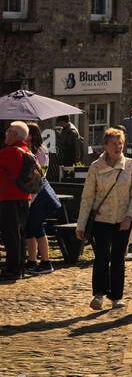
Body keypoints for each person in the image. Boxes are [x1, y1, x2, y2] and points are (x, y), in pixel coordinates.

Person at [76, 128, 132, 310]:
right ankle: (99, 294)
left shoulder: (130, 165)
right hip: (101, 219)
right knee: (102, 257)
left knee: (118, 258)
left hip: (123, 219)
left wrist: (130, 216)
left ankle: (116, 296)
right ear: (105, 145)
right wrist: (81, 225)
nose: (118, 147)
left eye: (120, 143)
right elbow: (87, 197)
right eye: (113, 143)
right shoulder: (96, 167)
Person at [0, 121, 34, 281]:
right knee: (19, 234)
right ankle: (19, 266)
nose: (6, 133)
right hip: (24, 198)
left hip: (9, 198)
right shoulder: (26, 150)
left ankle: (12, 269)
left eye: (9, 131)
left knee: (10, 235)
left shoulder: (9, 152)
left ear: (15, 135)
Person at [23, 121, 57, 274]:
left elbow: (38, 175)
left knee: (37, 227)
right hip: (35, 194)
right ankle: (31, 260)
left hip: (40, 195)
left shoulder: (39, 152)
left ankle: (46, 261)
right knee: (30, 228)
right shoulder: (36, 150)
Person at [56, 116, 81, 180]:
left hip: (70, 159)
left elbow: (76, 148)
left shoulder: (72, 131)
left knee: (69, 178)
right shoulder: (65, 129)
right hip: (66, 158)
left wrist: (76, 162)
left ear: (63, 121)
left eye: (60, 122)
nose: (59, 125)